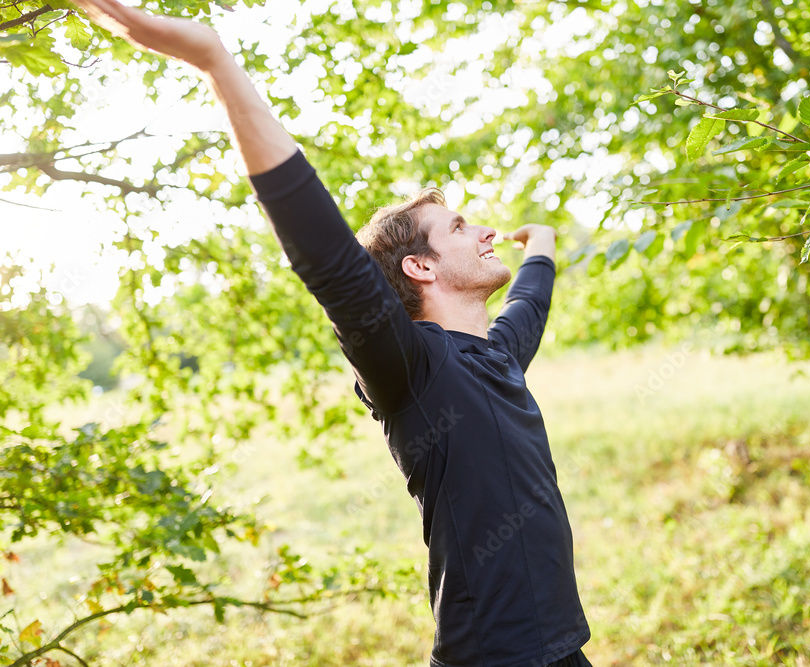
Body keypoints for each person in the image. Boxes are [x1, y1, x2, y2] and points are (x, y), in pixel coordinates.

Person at [69, 1, 593, 664]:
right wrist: (215, 61)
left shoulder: (498, 357)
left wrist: (542, 245)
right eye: (460, 226)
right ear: (420, 265)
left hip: (565, 648)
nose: (485, 230)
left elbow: (531, 302)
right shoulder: (411, 368)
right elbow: (327, 254)